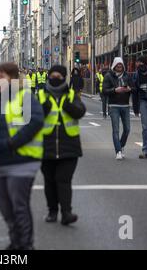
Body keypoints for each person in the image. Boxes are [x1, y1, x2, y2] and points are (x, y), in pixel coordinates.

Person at [0, 63, 44, 250]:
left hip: (21, 160)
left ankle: (26, 245)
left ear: (13, 79)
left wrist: (12, 143)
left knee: (18, 206)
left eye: (2, 76)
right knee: (6, 209)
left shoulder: (25, 96)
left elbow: (37, 121)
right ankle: (15, 242)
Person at [38, 65, 86, 225]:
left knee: (63, 179)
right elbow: (30, 117)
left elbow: (80, 112)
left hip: (69, 147)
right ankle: (52, 211)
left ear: (64, 77)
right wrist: (42, 110)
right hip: (46, 146)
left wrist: (68, 105)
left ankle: (67, 213)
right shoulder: (40, 95)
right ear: (49, 76)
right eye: (53, 75)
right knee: (49, 181)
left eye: (59, 76)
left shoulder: (71, 95)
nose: (56, 78)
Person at [103, 57, 135, 160]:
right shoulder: (108, 76)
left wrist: (129, 89)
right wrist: (115, 90)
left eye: (121, 65)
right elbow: (104, 90)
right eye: (117, 65)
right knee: (115, 130)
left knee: (127, 129)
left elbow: (134, 88)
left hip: (125, 106)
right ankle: (118, 151)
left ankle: (120, 146)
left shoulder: (127, 76)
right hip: (114, 106)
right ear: (114, 66)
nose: (119, 67)